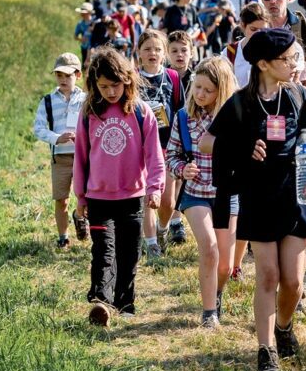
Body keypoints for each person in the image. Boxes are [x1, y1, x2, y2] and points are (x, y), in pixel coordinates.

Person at [210, 28, 306, 371]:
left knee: (292, 281)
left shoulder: (299, 96)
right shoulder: (240, 102)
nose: (294, 64)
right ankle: (266, 350)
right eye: (287, 59)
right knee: (267, 275)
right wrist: (241, 148)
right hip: (257, 198)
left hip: (297, 196)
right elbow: (208, 143)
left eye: (295, 57)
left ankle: (283, 327)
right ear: (263, 64)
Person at [73, 48, 163, 325]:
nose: (111, 92)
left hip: (132, 197)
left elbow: (153, 153)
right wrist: (80, 196)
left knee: (129, 252)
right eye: (103, 87)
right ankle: (101, 301)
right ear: (94, 86)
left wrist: (155, 187)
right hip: (98, 197)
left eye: (115, 85)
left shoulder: (140, 112)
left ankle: (125, 303)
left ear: (127, 80)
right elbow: (81, 155)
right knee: (103, 250)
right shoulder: (89, 113)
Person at [170, 57, 239, 328]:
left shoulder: (233, 118)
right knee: (209, 249)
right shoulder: (183, 117)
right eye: (197, 87)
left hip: (226, 192)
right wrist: (181, 169)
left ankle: (217, 293)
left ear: (220, 91)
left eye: (207, 90)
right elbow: (172, 155)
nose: (200, 94)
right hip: (196, 193)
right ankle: (209, 313)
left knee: (226, 264)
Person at [135, 29, 186, 254]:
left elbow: (182, 111)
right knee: (149, 197)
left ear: (164, 53)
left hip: (169, 146)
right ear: (139, 53)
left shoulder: (173, 78)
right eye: (147, 49)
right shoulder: (133, 79)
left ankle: (162, 229)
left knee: (167, 201)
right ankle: (151, 245)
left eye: (157, 49)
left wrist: (184, 144)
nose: (152, 53)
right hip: (141, 147)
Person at [34, 52, 88, 247]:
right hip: (60, 158)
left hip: (83, 157)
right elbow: (39, 128)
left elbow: (95, 125)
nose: (63, 79)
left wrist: (82, 138)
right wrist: (57, 138)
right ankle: (63, 237)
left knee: (87, 196)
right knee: (61, 199)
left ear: (78, 75)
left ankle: (80, 216)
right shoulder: (48, 101)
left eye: (68, 75)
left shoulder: (86, 99)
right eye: (59, 75)